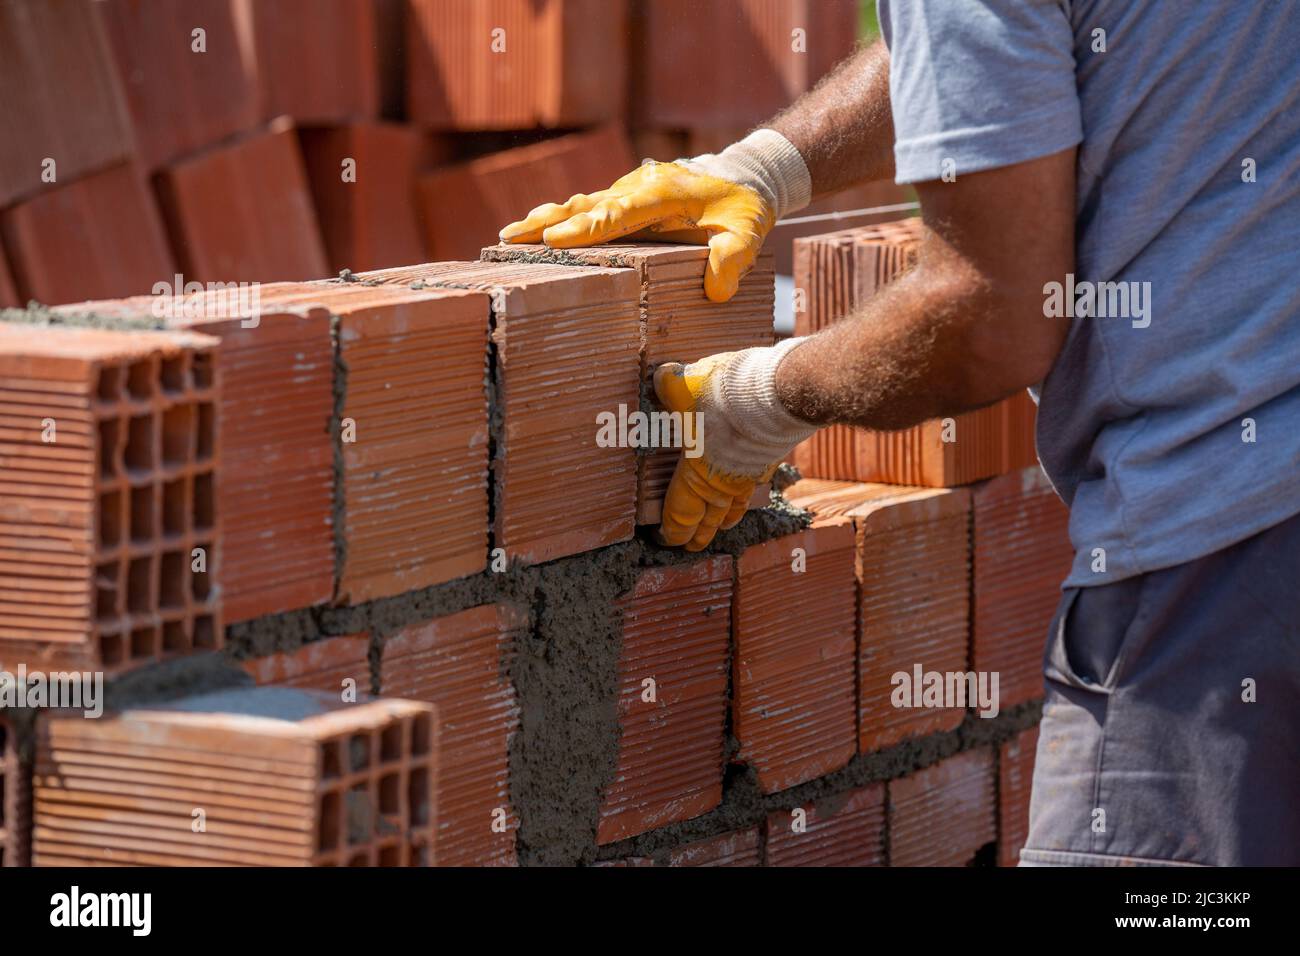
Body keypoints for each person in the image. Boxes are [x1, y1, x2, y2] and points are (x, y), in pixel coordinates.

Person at [499, 1, 1300, 866]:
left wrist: (759, 401)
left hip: (1227, 556)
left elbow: (992, 315)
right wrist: (766, 167)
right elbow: (1024, 54)